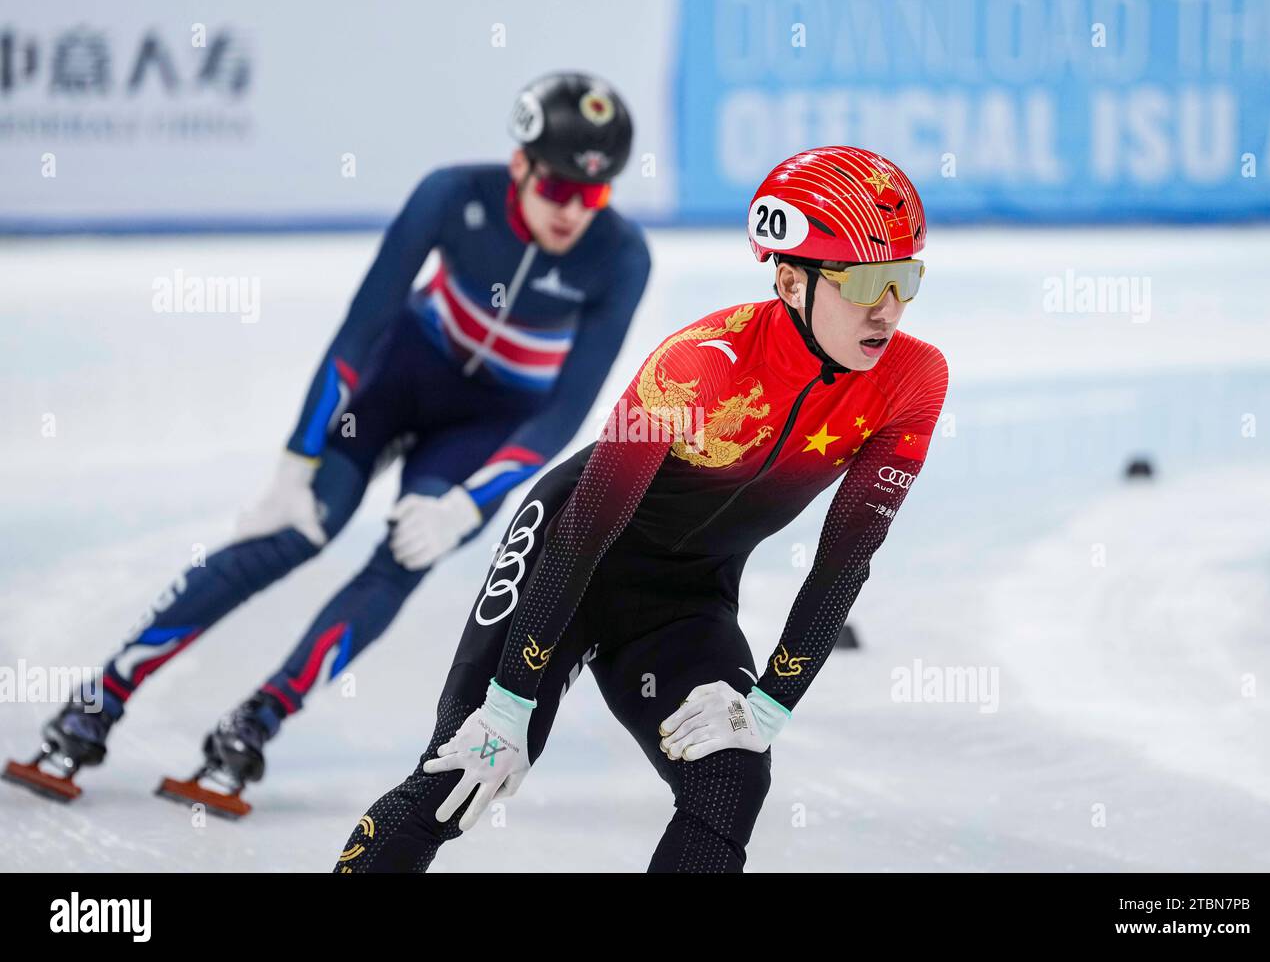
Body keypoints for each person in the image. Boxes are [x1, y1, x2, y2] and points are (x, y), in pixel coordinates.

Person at [4, 72, 650, 809]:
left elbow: (566, 411)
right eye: (559, 188)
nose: (572, 211)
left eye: (593, 195)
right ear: (520, 165)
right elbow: (362, 328)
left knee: (409, 553)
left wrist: (469, 506)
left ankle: (257, 721)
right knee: (294, 531)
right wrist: (296, 458)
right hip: (398, 379)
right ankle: (99, 697)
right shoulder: (450, 193)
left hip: (485, 426)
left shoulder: (623, 257)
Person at [333, 145, 949, 872]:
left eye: (905, 279)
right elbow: (581, 534)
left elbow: (844, 560)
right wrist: (508, 703)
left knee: (730, 779)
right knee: (464, 771)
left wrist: (771, 705)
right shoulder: (696, 366)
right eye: (867, 280)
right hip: (568, 559)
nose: (889, 308)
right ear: (789, 279)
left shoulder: (914, 378)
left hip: (682, 603)